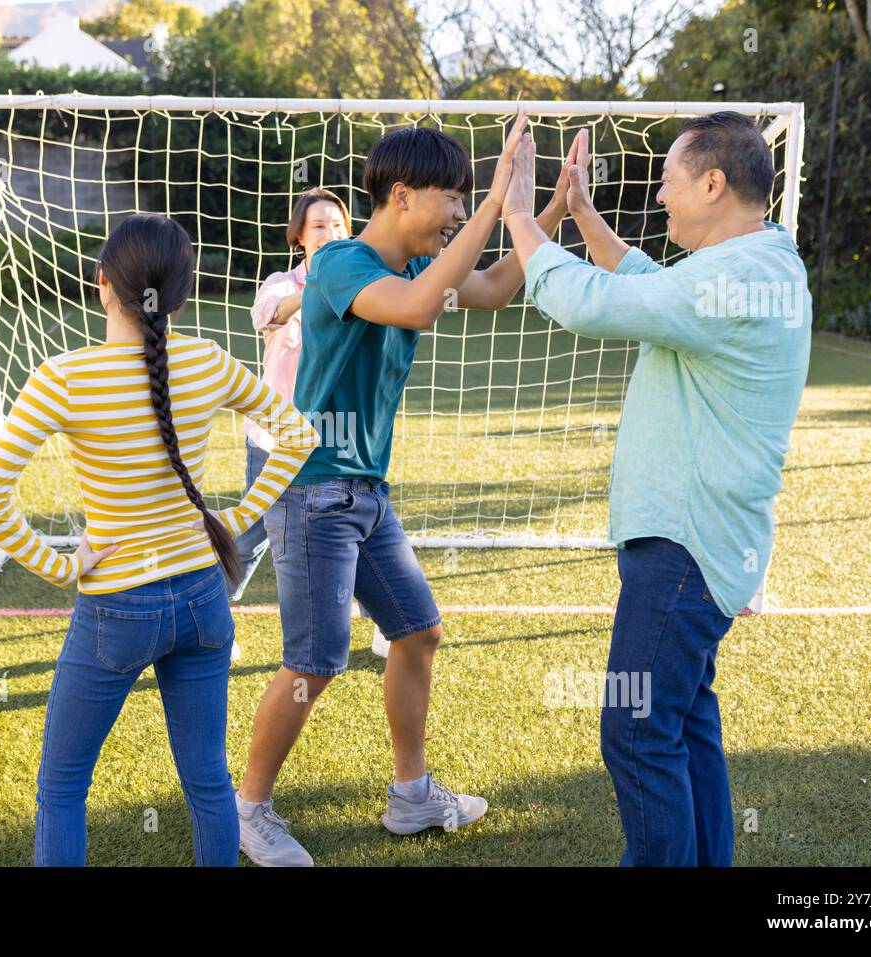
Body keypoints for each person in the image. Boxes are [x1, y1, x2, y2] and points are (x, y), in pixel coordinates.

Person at [235, 112, 573, 866]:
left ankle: (411, 795)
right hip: (314, 492)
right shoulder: (340, 264)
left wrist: (541, 208)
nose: (456, 211)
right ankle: (247, 809)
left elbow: (489, 290)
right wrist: (494, 203)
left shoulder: (416, 268)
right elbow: (420, 308)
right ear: (400, 196)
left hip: (365, 494)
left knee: (417, 632)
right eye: (449, 197)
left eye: (464, 197)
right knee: (314, 662)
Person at [505, 112, 812, 865]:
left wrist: (515, 212)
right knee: (681, 718)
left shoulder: (739, 278)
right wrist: (579, 213)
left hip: (685, 544)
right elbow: (648, 282)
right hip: (696, 541)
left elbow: (592, 302)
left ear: (713, 182)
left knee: (638, 726)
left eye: (670, 183)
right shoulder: (755, 262)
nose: (663, 199)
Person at [0, 214, 319, 866]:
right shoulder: (207, 361)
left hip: (116, 608)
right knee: (209, 781)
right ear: (183, 293)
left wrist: (61, 565)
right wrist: (238, 517)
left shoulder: (64, 378)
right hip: (203, 601)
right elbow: (299, 435)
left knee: (63, 786)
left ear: (103, 284)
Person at [228, 188, 391, 657]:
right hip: (275, 440)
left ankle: (387, 622)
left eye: (338, 226)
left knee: (355, 528)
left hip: (336, 440)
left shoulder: (361, 285)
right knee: (252, 532)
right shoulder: (282, 284)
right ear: (299, 235)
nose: (331, 233)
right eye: (319, 226)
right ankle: (214, 621)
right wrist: (316, 287)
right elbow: (268, 314)